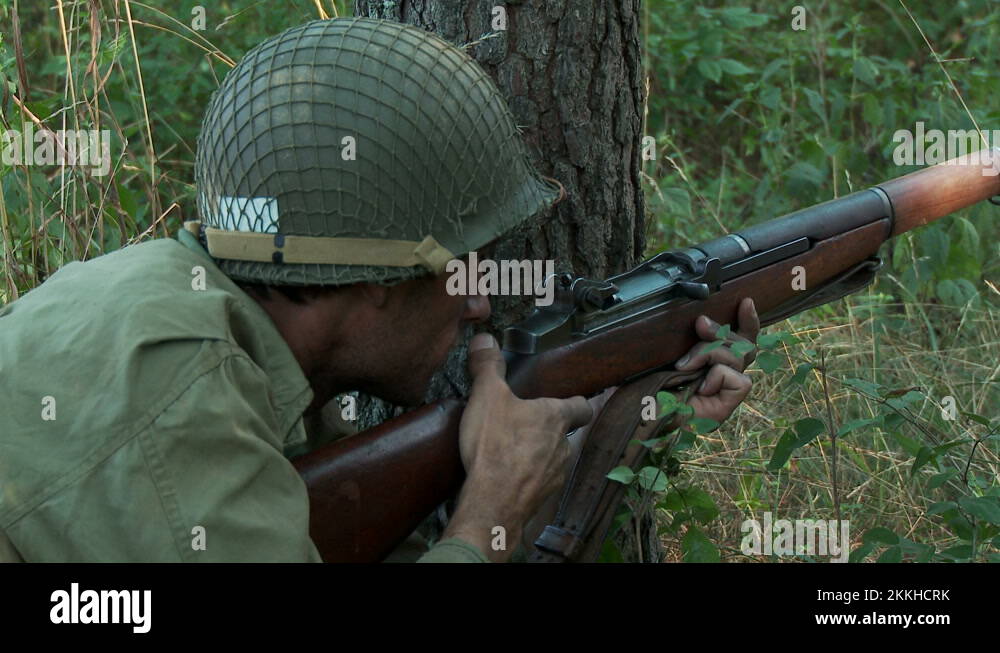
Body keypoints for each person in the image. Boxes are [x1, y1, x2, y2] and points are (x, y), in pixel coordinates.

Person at [0, 18, 757, 563]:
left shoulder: (204, 330)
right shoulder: (171, 399)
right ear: (370, 282)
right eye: (460, 267)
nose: (480, 303)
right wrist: (486, 515)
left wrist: (606, 431)